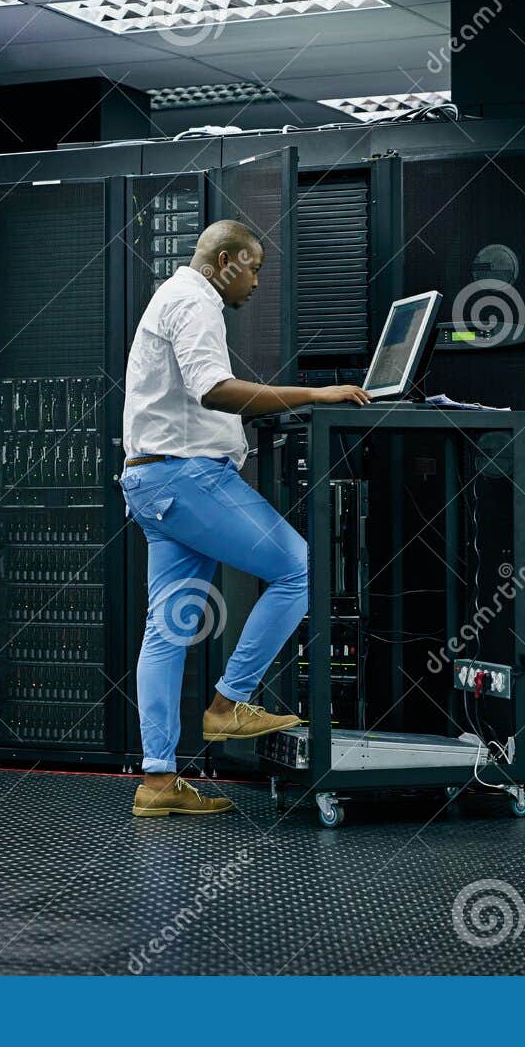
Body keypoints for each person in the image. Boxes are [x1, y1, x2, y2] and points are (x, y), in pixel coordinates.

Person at [120, 219, 371, 818]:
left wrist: (251, 420)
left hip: (153, 481)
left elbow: (194, 399)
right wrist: (316, 395)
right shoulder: (196, 301)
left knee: (167, 626)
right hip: (187, 479)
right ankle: (229, 702)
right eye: (254, 267)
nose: (257, 281)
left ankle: (157, 782)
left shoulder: (172, 297)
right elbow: (213, 389)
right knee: (298, 568)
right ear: (226, 260)